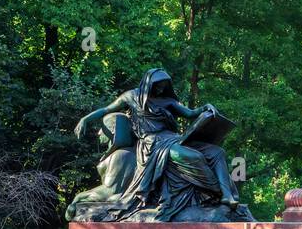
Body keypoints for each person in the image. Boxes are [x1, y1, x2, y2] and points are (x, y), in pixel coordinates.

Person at [72, 68, 242, 220]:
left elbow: (190, 114)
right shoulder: (131, 97)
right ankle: (215, 193)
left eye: (164, 85)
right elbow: (107, 110)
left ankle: (227, 194)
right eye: (158, 85)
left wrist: (205, 108)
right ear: (148, 83)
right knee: (191, 156)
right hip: (153, 144)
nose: (161, 89)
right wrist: (85, 119)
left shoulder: (168, 101)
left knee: (216, 152)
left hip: (174, 138)